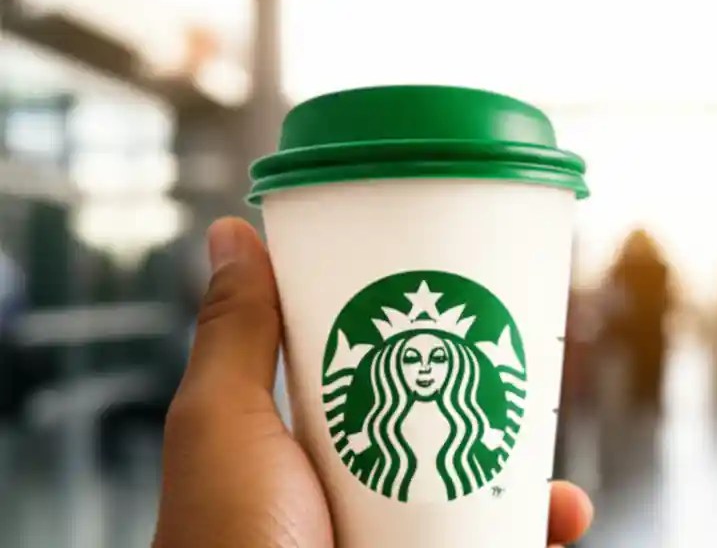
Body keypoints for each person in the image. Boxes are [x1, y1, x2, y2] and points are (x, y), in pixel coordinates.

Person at [153, 217, 593, 547]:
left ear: (460, 365)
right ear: (389, 367)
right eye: (411, 358)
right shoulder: (375, 439)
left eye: (438, 357)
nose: (424, 369)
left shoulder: (472, 438)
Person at [603, 229, 673, 412]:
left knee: (641, 404)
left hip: (643, 347)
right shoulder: (622, 271)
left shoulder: (656, 272)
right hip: (630, 348)